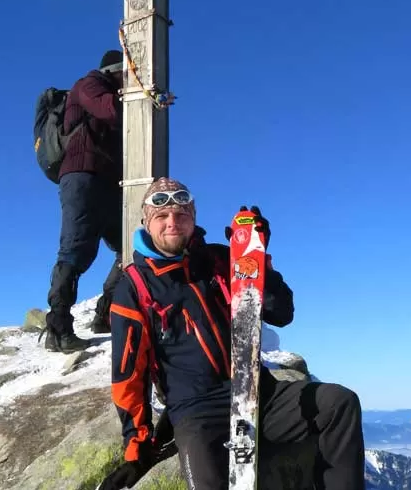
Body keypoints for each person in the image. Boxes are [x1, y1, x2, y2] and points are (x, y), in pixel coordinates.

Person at [100, 177, 366, 490]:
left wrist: (257, 259)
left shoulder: (220, 260)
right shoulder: (134, 287)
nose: (173, 222)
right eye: (162, 216)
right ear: (146, 221)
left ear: (194, 218)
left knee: (340, 404)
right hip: (196, 412)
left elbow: (282, 313)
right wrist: (138, 439)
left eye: (182, 214)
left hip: (258, 391)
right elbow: (129, 372)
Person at [44, 49, 126, 353]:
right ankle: (58, 329)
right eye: (125, 75)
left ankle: (104, 315)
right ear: (114, 71)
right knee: (75, 251)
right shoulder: (88, 84)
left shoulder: (104, 86)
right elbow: (111, 109)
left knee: (129, 248)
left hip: (107, 181)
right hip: (81, 177)